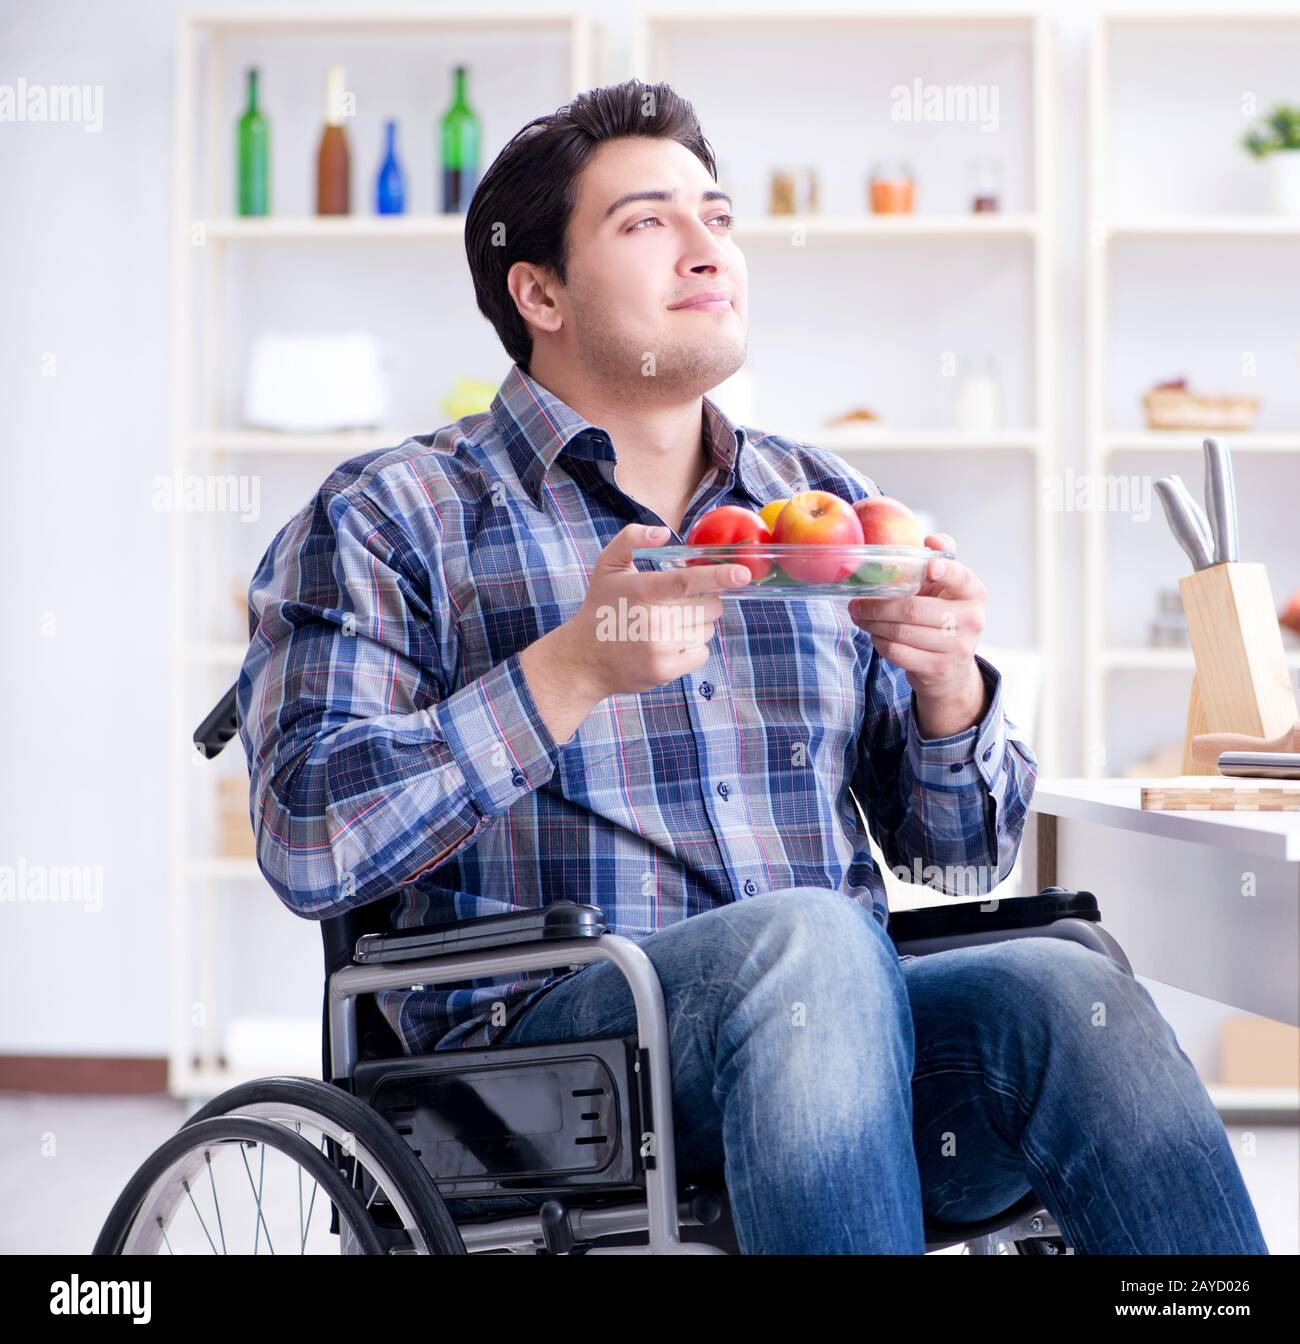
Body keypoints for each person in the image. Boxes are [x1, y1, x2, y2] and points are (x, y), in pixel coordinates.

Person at [238, 79, 1268, 1255]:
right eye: (646, 222)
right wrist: (568, 671)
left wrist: (948, 694)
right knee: (810, 944)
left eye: (715, 217)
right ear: (539, 292)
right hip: (538, 1069)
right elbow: (308, 837)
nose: (705, 249)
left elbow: (960, 843)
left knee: (1064, 991)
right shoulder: (393, 513)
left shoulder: (814, 508)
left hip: (845, 1051)